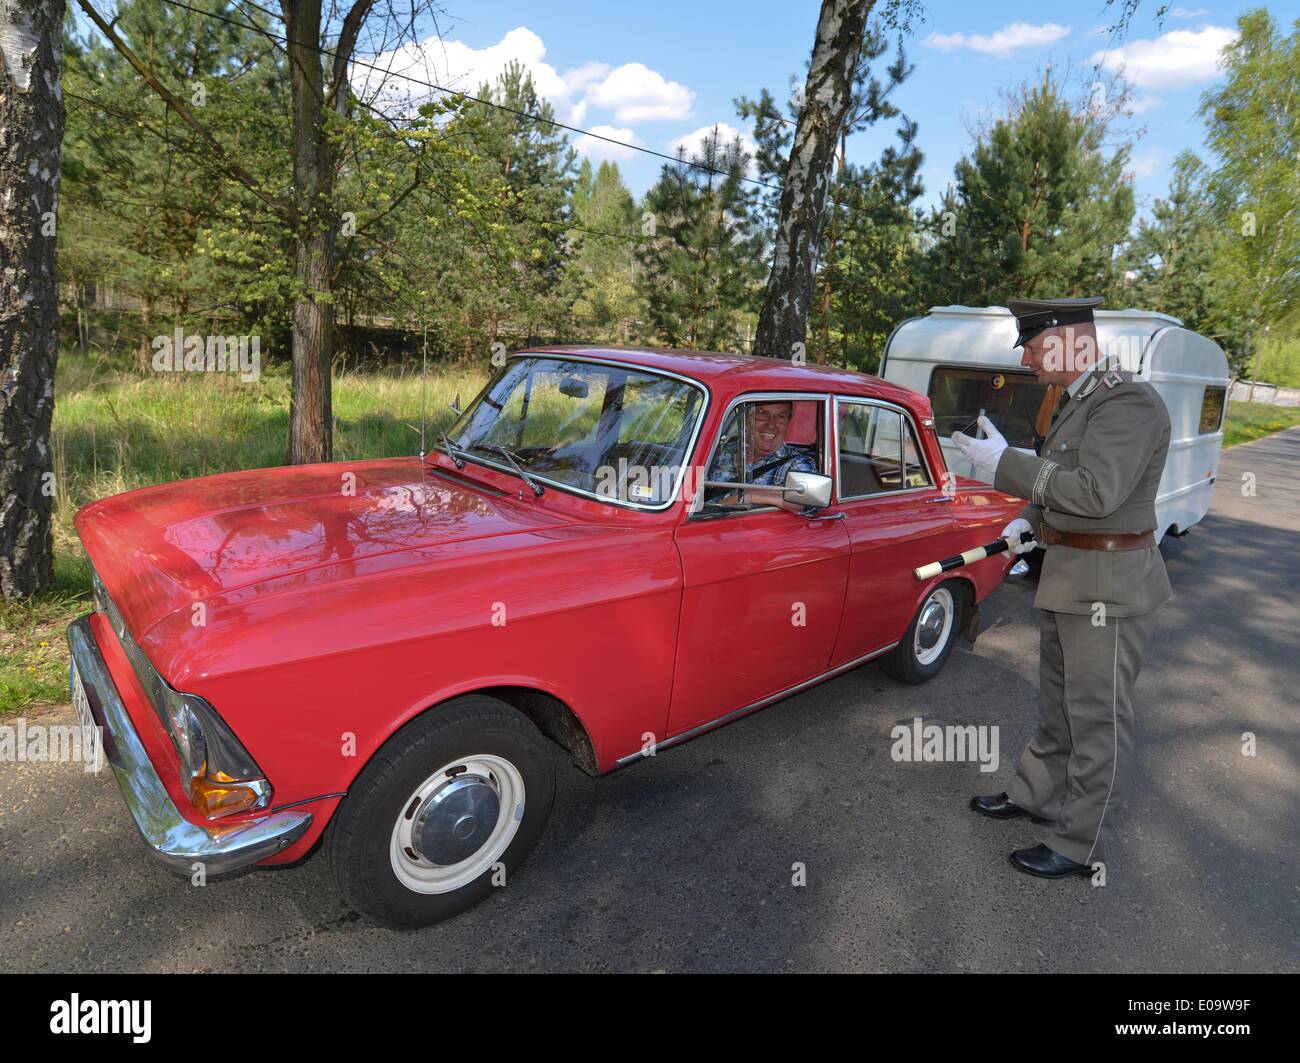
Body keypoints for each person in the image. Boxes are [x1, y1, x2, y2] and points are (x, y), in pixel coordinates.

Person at [951, 297, 1171, 880]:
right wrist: (1029, 519)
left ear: (1070, 340)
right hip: (1071, 578)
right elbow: (1060, 488)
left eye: (1032, 343)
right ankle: (1036, 797)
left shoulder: (1127, 401)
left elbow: (1097, 492)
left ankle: (1080, 842)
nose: (1024, 356)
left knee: (1097, 718)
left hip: (1110, 588)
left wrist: (1008, 462)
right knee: (1058, 707)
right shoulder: (1078, 401)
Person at [707, 401, 818, 512]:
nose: (771, 425)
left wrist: (749, 495)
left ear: (788, 422)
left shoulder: (798, 464)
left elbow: (809, 503)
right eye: (762, 414)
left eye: (780, 417)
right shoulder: (724, 451)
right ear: (747, 419)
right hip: (698, 519)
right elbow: (692, 483)